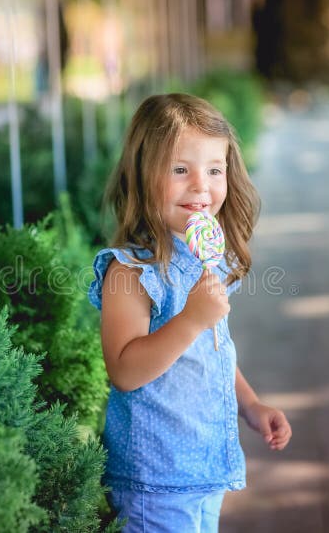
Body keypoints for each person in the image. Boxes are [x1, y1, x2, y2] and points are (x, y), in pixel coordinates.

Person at [88, 93, 292, 532]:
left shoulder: (206, 259)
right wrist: (191, 319)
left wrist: (250, 404)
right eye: (180, 170)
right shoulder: (132, 270)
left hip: (205, 465)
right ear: (143, 176)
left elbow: (213, 351)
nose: (201, 185)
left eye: (214, 170)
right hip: (155, 477)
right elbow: (124, 370)